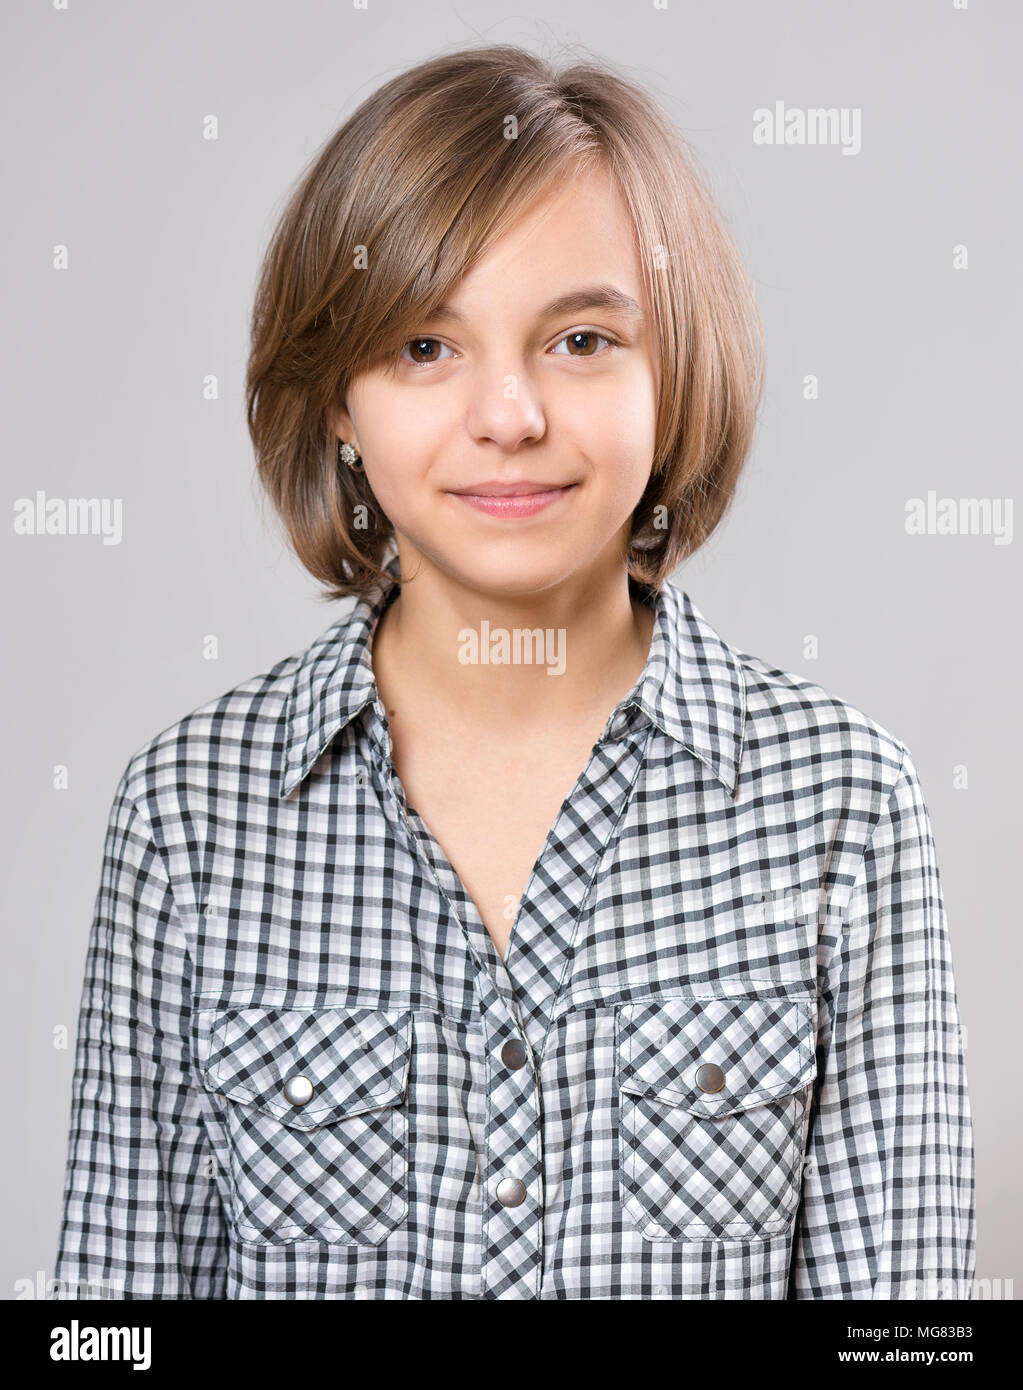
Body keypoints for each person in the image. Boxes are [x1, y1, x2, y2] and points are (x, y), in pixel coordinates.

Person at [52, 42, 975, 1300]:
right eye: (426, 347)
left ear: (675, 369)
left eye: (581, 338)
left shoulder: (843, 805)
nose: (509, 414)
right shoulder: (188, 816)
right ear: (337, 400)